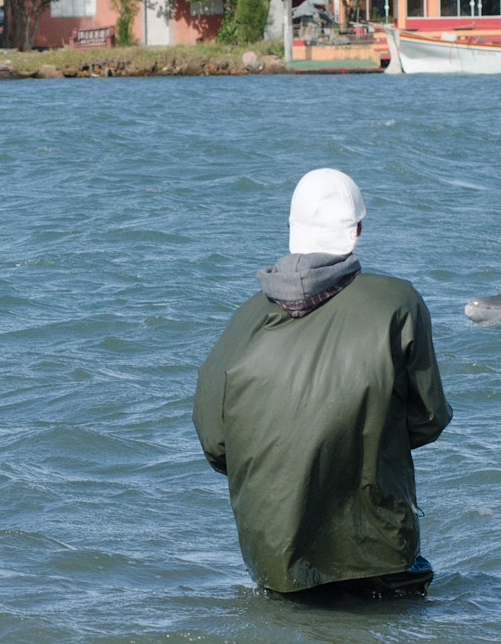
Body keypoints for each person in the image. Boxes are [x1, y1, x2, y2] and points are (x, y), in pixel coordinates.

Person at [193, 168, 452, 596]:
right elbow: (428, 420)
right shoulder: (398, 303)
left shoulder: (244, 319)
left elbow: (216, 443)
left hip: (273, 562)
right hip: (379, 556)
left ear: (291, 229)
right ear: (357, 231)